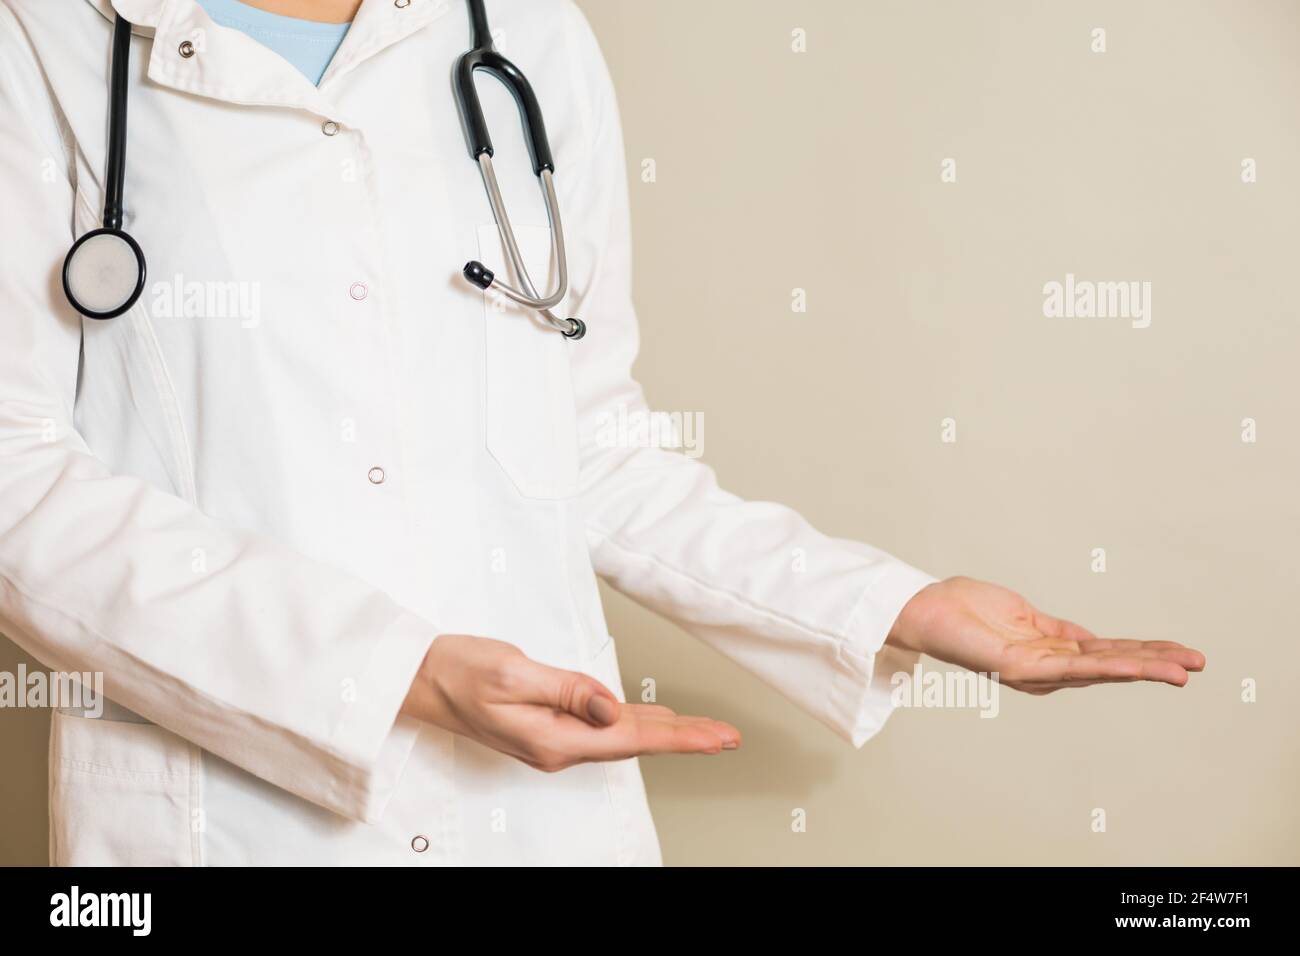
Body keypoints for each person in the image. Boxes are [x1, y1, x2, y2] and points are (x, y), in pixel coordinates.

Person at [0, 0, 1205, 866]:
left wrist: (888, 603)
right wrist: (391, 670)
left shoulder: (525, 38)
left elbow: (586, 449)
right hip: (229, 819)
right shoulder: (39, 39)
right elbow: (15, 479)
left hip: (545, 814)